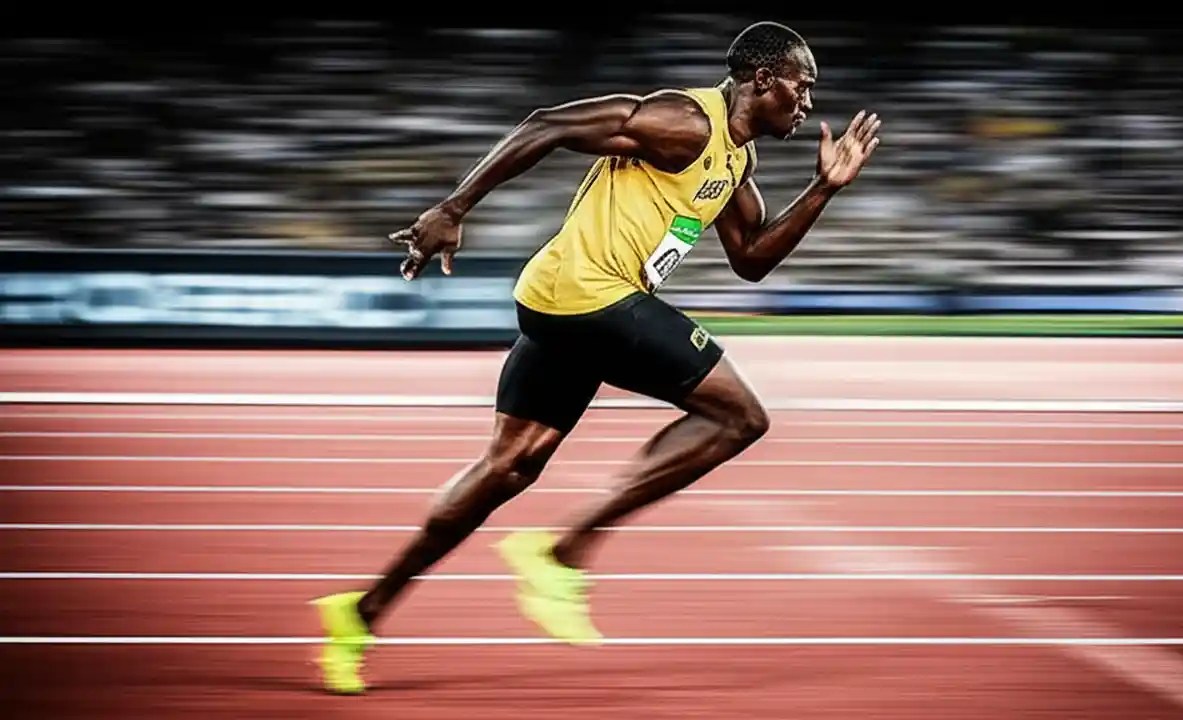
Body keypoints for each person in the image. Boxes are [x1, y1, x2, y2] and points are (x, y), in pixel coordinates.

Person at [311, 20, 881, 694]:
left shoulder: (735, 161)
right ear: (763, 80)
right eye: (802, 85)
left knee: (508, 467)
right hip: (585, 297)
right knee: (739, 418)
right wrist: (454, 205)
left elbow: (752, 258)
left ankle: (360, 613)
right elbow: (548, 123)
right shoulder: (684, 123)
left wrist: (824, 189)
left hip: (569, 308)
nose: (809, 101)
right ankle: (564, 551)